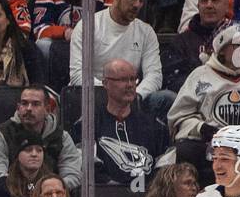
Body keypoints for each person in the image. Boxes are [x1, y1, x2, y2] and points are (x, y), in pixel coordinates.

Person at [168, 22, 240, 181]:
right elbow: (178, 117)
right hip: (208, 142)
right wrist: (201, 128)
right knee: (185, 150)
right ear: (221, 50)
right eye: (236, 45)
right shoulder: (201, 75)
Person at [69, 0, 170, 121]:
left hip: (133, 98)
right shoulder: (88, 26)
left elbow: (154, 75)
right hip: (94, 98)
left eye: (142, 0)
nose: (137, 5)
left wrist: (134, 95)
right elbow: (78, 75)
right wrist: (112, 94)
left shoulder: (146, 32)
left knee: (167, 98)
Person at [69, 58, 170, 186]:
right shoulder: (88, 124)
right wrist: (117, 191)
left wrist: (149, 190)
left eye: (133, 79)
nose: (130, 85)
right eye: (122, 80)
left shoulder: (155, 126)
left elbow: (166, 167)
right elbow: (87, 165)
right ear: (105, 83)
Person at [0, 85, 81, 190]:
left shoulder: (62, 137)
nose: (29, 109)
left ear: (47, 109)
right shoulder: (3, 134)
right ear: (18, 107)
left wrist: (47, 189)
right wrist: (25, 190)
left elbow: (73, 176)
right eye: (24, 103)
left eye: (36, 104)